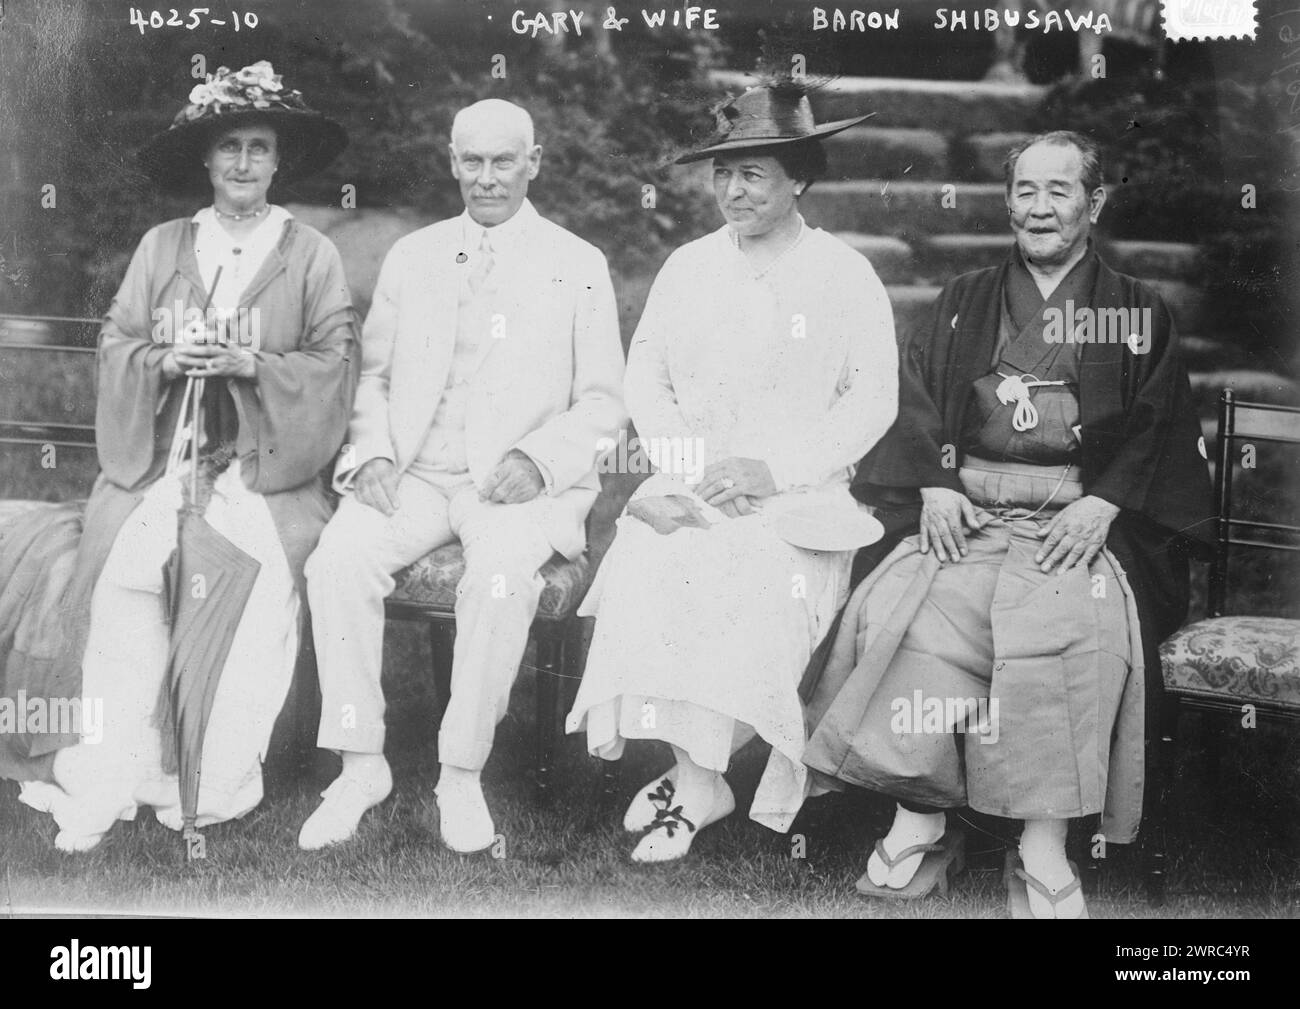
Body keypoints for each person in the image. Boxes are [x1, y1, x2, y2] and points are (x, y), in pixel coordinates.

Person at [799, 130, 1215, 917]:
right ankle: (918, 813)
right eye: (1025, 191)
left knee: (1068, 636)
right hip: (970, 515)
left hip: (1076, 529)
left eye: (1060, 191)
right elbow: (912, 398)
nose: (1039, 208)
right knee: (907, 613)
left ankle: (1043, 838)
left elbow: (1161, 424)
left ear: (1095, 203)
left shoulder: (1134, 310)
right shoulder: (964, 301)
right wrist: (931, 484)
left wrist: (1104, 501)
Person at [2, 62, 358, 851]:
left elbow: (336, 364)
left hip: (265, 473)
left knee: (252, 581)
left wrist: (251, 366)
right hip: (161, 462)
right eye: (227, 146)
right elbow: (117, 342)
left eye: (257, 148)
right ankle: (112, 771)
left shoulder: (309, 256)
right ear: (205, 158)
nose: (241, 163)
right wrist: (162, 360)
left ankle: (209, 778)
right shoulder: (165, 246)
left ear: (277, 160)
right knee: (126, 575)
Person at [565, 83, 899, 863]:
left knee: (744, 572)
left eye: (753, 174)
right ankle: (694, 773)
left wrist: (773, 469)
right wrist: (685, 463)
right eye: (723, 174)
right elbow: (647, 375)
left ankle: (704, 775)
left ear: (799, 180)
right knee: (655, 556)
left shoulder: (844, 275)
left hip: (799, 499)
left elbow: (873, 399)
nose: (733, 191)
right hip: (694, 478)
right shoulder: (689, 266)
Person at [297, 99, 627, 854]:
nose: (487, 178)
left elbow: (606, 402)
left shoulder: (577, 263)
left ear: (533, 162)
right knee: (336, 562)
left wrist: (538, 459)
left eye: (503, 161)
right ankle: (359, 764)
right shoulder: (415, 255)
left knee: (502, 579)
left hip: (516, 486)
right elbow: (371, 375)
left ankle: (460, 771)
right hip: (416, 473)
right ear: (452, 162)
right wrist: (374, 452)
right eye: (471, 162)